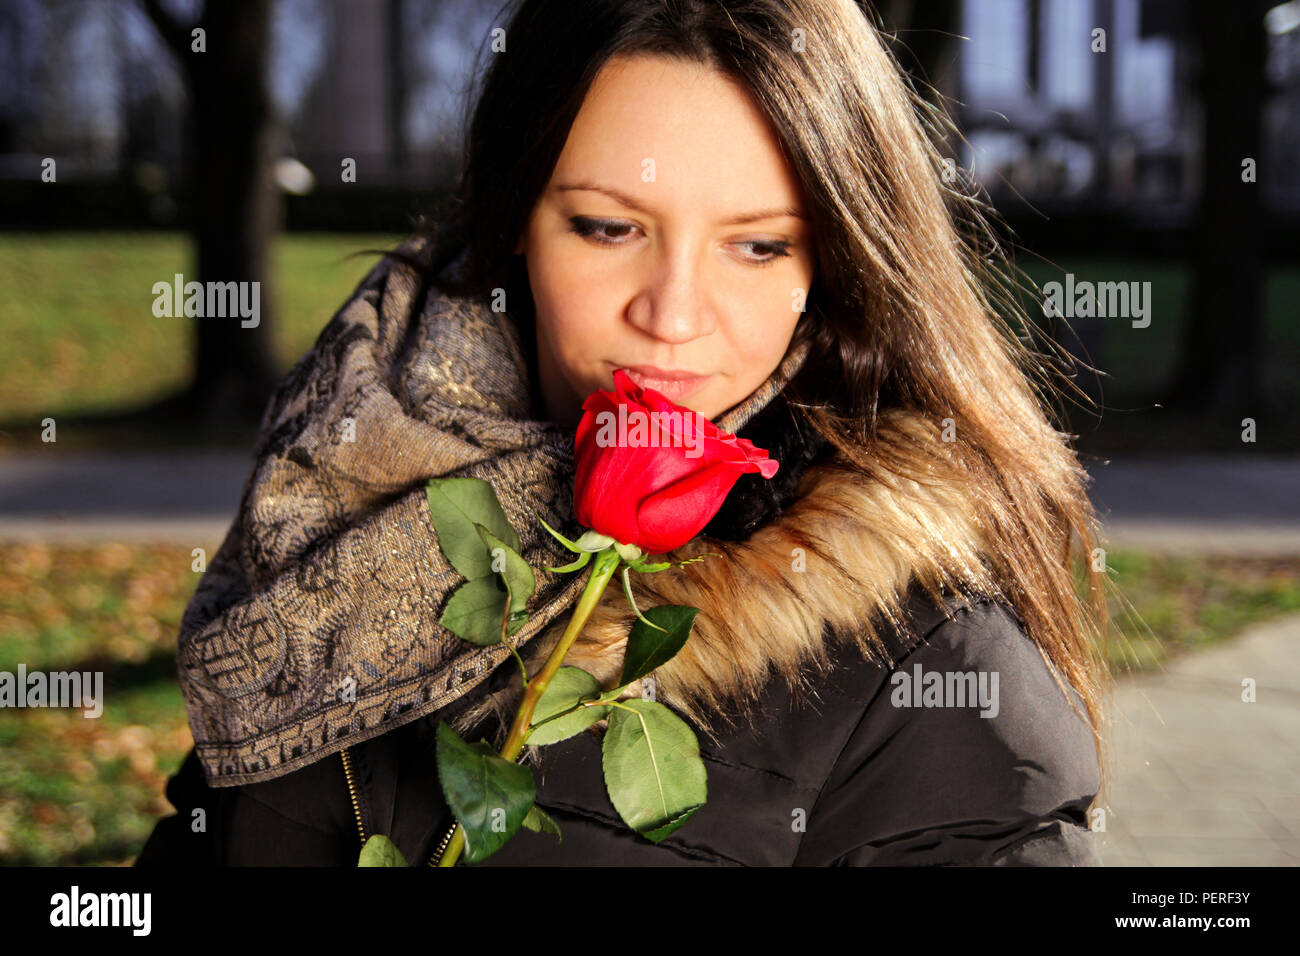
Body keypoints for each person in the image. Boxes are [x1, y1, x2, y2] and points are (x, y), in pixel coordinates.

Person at [136, 0, 1112, 867]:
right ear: (517, 211)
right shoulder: (349, 483)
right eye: (608, 226)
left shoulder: (934, 678)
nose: (673, 315)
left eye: (760, 243)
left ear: (840, 260)